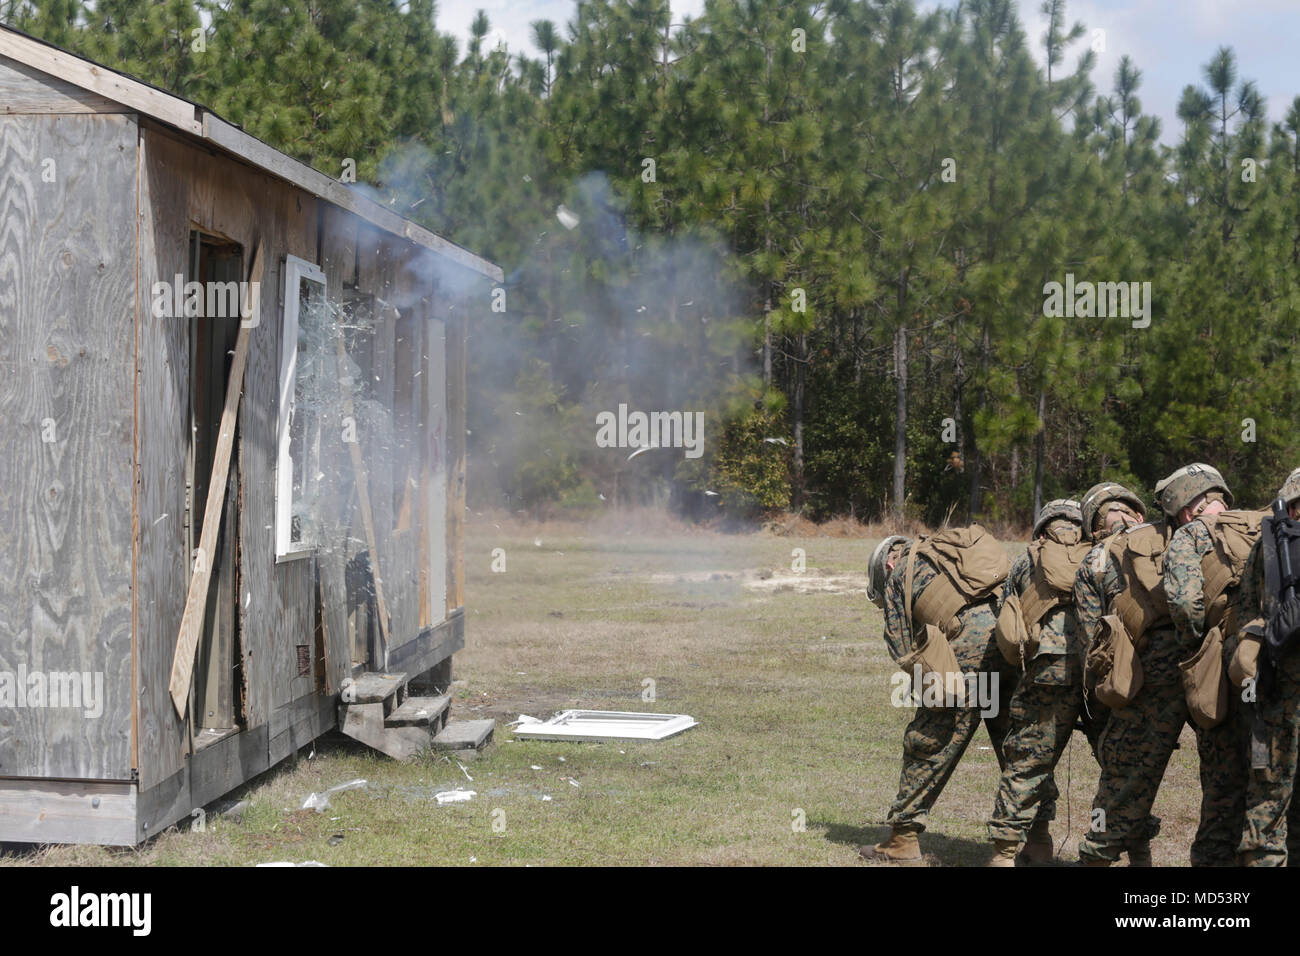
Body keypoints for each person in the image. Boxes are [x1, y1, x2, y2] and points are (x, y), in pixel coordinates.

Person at [862, 526, 1015, 863]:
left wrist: (931, 690)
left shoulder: (900, 572)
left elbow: (902, 647)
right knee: (1020, 748)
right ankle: (1034, 842)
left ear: (886, 564)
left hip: (968, 657)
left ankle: (902, 839)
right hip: (1011, 642)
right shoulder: (946, 551)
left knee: (928, 741)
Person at [1074, 470, 1203, 867]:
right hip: (1208, 662)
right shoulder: (1186, 535)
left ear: (1094, 521)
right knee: (1227, 774)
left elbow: (1091, 637)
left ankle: (1097, 858)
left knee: (1125, 778)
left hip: (1147, 674)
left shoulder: (1094, 559)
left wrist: (1109, 689)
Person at [986, 499, 1092, 866]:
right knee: (1121, 766)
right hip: (1103, 668)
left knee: (1028, 761)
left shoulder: (1029, 558)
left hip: (1049, 667)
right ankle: (1136, 854)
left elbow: (1008, 618)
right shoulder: (1100, 550)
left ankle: (1008, 854)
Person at [1162, 464, 1258, 865]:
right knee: (1273, 781)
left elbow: (1184, 603)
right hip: (1275, 666)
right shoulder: (1264, 524)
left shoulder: (1191, 535)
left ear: (1184, 510)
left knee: (1223, 782)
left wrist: (1199, 648)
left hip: (1226, 666)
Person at [1237, 467, 1300, 866]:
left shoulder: (1268, 546)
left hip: (1276, 691)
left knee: (1269, 792)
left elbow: (1244, 610)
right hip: (1278, 691)